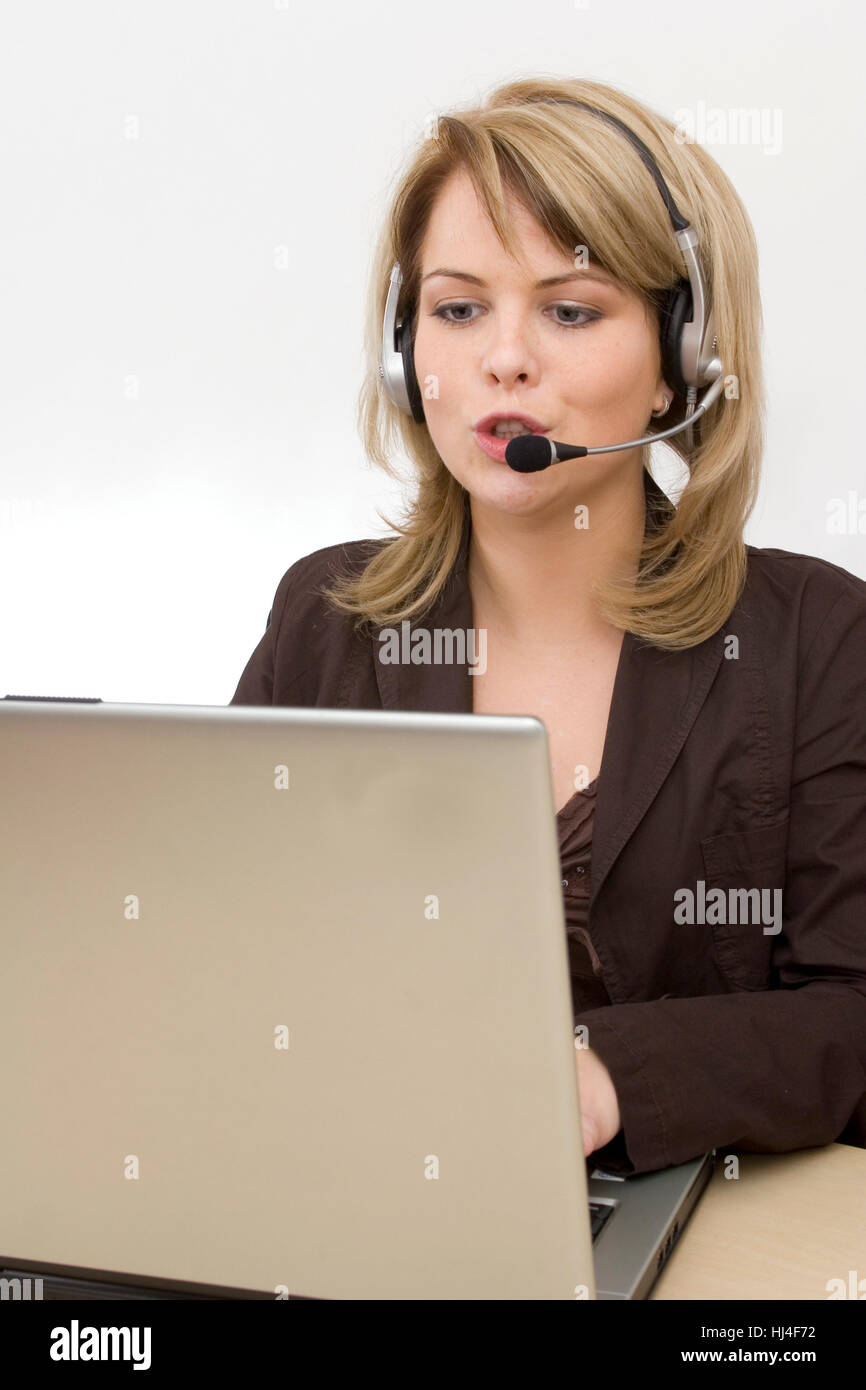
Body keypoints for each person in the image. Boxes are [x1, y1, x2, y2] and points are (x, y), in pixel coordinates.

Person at [230, 76, 866, 1176]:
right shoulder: (325, 619)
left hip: (678, 1215)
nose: (501, 360)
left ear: (684, 360)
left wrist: (605, 1071)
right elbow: (219, 950)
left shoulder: (812, 634)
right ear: (403, 350)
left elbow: (851, 1012)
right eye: (457, 307)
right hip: (362, 1191)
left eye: (570, 309)